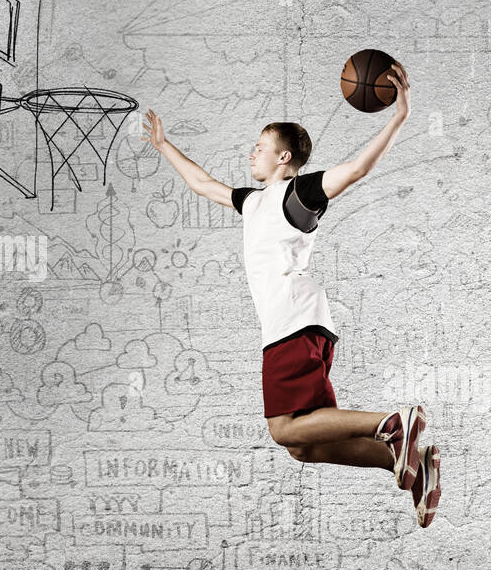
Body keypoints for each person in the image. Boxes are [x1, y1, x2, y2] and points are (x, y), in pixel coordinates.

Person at [142, 61, 440, 527]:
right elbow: (202, 184)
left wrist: (398, 117)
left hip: (292, 321)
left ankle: (392, 422)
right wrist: (163, 146)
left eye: (260, 147)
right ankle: (407, 464)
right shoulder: (253, 201)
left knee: (282, 429)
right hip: (302, 323)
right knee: (304, 445)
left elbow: (358, 169)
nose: (252, 154)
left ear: (283, 158)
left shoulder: (298, 195)